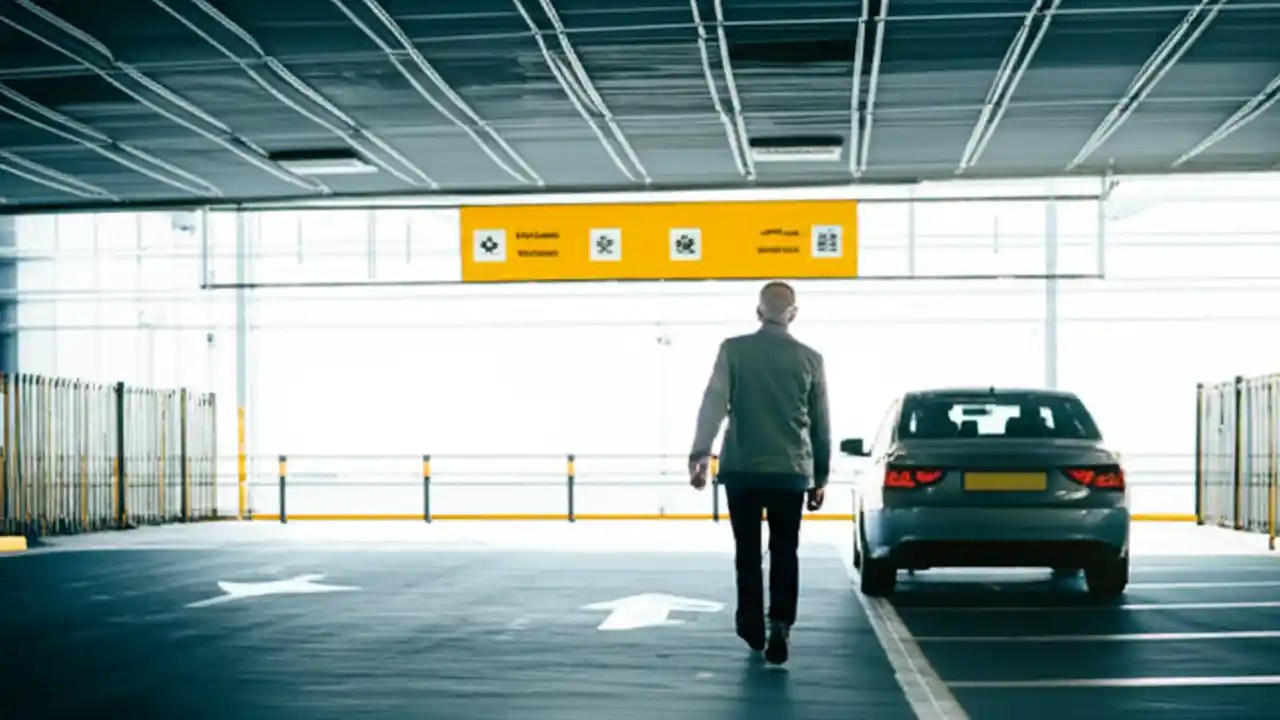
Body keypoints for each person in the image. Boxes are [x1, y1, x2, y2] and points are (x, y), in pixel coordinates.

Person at [687, 280, 831, 665]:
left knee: (747, 551)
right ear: (793, 313)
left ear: (758, 312)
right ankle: (780, 624)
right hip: (791, 471)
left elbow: (713, 403)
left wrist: (701, 454)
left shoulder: (733, 350)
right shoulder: (811, 359)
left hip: (742, 470)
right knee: (785, 550)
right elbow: (820, 424)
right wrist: (821, 477)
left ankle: (751, 624)